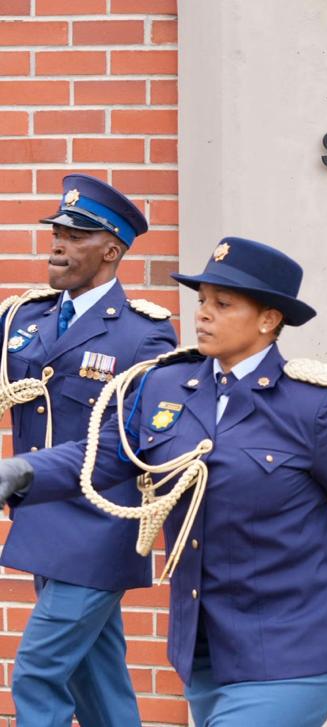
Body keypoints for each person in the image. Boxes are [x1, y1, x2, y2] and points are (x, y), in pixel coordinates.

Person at [0, 237, 327, 726]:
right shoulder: (165, 385)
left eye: (223, 303)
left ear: (269, 318)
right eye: (202, 302)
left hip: (296, 648)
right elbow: (103, 454)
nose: (202, 315)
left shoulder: (313, 406)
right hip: (207, 650)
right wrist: (21, 471)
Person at [0, 174, 176, 727]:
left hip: (98, 530)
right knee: (94, 678)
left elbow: (129, 439)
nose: (56, 244)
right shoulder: (23, 318)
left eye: (75, 236)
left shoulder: (145, 334)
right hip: (40, 521)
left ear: (111, 250)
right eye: (56, 232)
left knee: (38, 670)